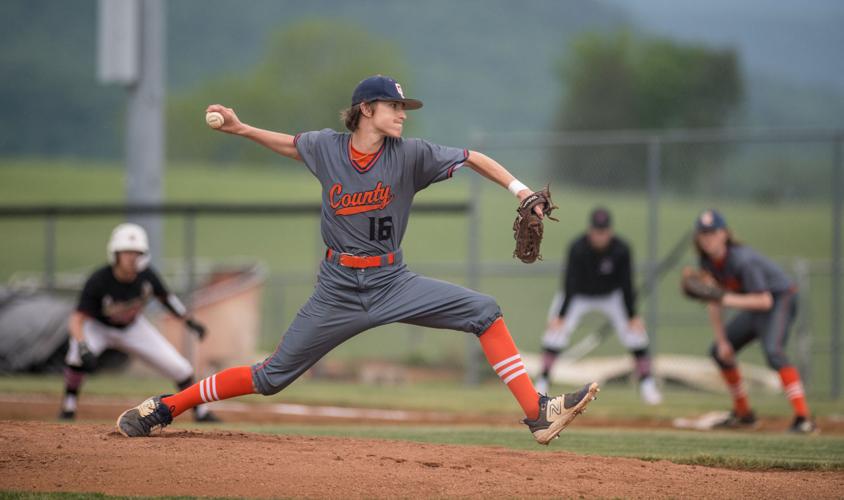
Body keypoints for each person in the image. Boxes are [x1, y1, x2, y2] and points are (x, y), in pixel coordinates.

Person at [116, 75, 598, 444]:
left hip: (393, 281)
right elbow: (289, 144)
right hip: (338, 289)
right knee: (271, 377)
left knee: (485, 312)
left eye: (403, 107)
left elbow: (473, 157)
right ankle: (165, 407)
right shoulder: (328, 147)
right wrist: (241, 128)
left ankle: (537, 413)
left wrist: (522, 192)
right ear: (366, 109)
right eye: (394, 106)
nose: (402, 114)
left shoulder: (410, 155)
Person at [60, 223, 218, 423]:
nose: (132, 258)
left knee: (181, 368)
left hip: (133, 328)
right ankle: (68, 406)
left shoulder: (146, 276)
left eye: (137, 253)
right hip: (99, 328)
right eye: (127, 253)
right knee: (75, 355)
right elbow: (77, 319)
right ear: (115, 254)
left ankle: (201, 413)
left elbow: (167, 300)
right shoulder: (99, 280)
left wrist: (189, 322)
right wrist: (83, 346)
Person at [692, 209, 815, 433]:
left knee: (773, 352)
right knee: (718, 352)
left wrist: (725, 297)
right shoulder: (707, 261)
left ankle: (804, 418)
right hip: (754, 305)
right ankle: (744, 414)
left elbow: (765, 301)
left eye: (712, 232)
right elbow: (714, 301)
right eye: (703, 233)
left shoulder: (741, 260)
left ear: (724, 234)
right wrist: (722, 341)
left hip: (781, 298)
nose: (707, 237)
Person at [536, 207, 662, 405]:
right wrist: (561, 315)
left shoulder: (622, 249)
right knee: (555, 332)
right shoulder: (577, 248)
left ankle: (647, 385)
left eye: (603, 231)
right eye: (596, 231)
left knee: (635, 334)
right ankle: (542, 381)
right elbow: (569, 282)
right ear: (590, 230)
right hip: (578, 295)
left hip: (610, 296)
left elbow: (626, 285)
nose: (600, 236)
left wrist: (632, 315)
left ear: (610, 231)